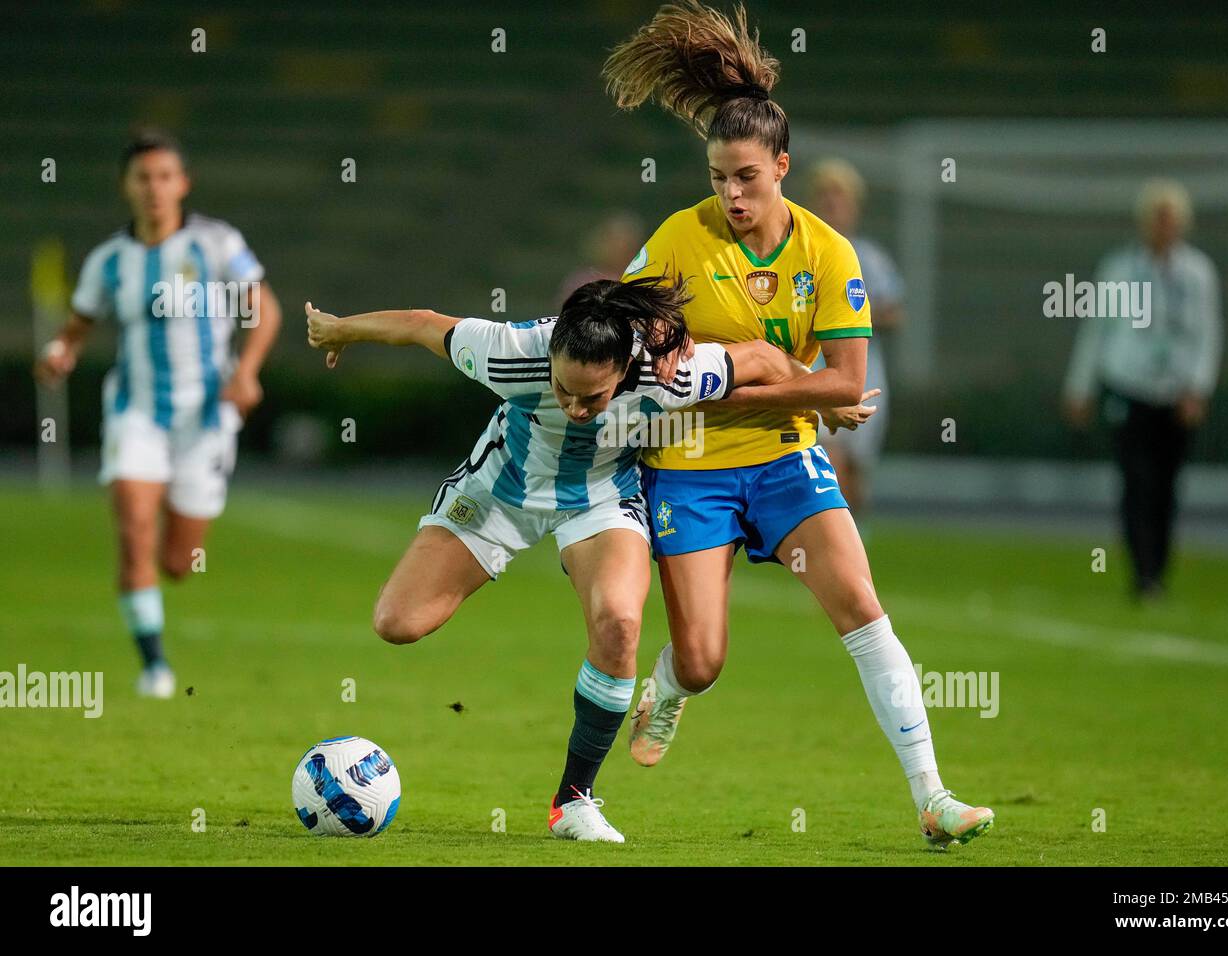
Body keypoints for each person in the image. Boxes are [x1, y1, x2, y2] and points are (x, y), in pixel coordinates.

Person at [604, 0, 993, 848]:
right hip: (690, 468)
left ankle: (933, 799)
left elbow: (849, 381)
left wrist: (753, 394)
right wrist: (793, 386)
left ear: (783, 165)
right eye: (718, 177)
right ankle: (667, 686)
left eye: (747, 176)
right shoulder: (676, 241)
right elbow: (621, 342)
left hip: (786, 461)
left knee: (862, 607)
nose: (731, 194)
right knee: (703, 661)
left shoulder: (828, 253)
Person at [304, 276, 873, 842]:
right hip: (500, 491)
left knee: (620, 622)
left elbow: (765, 359)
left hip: (601, 498)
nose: (576, 409)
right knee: (397, 623)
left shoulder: (668, 373)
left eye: (593, 397)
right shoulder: (509, 352)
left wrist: (821, 398)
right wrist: (340, 330)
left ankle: (573, 800)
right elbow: (422, 324)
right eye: (563, 390)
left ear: (623, 371)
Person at [34, 128, 282, 698]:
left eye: (164, 176)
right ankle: (154, 667)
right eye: (142, 178)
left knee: (179, 562)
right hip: (136, 412)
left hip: (206, 419)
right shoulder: (108, 261)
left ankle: (176, 524)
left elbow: (264, 309)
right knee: (133, 527)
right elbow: (76, 327)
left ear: (183, 183)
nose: (154, 188)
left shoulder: (216, 243)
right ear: (126, 186)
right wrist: (60, 352)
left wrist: (247, 371)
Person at [1064, 178, 1223, 600]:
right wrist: (1080, 386)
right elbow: (1097, 330)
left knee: (1167, 485)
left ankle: (1159, 569)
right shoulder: (1119, 269)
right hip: (1127, 386)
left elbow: (1208, 334)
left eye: (1170, 219)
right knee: (1136, 482)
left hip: (1175, 392)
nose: (1163, 227)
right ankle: (1143, 574)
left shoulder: (1198, 273)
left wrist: (1197, 389)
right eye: (1157, 218)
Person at [808, 158, 905, 514]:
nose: (832, 204)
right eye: (825, 195)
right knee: (829, 459)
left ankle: (854, 533)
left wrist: (848, 316)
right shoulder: (801, 253)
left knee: (856, 469)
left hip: (864, 373)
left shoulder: (870, 259)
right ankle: (832, 536)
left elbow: (895, 313)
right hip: (814, 371)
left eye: (840, 197)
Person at [555, 211, 645, 307]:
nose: (620, 249)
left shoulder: (643, 279)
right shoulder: (583, 280)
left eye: (626, 244)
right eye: (614, 242)